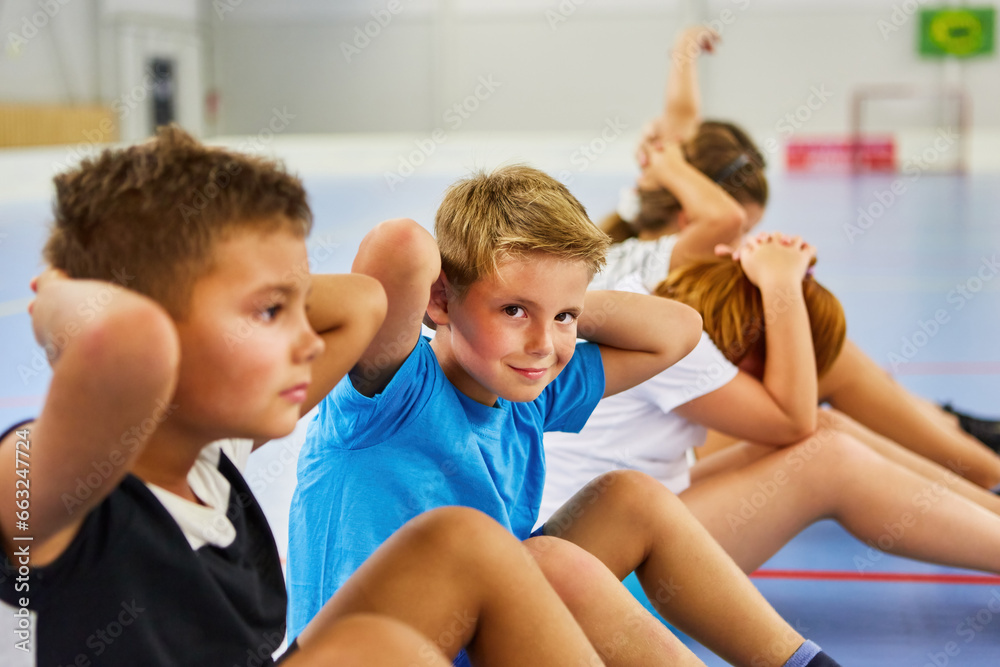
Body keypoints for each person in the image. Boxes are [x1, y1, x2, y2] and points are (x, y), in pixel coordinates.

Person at [0, 127, 612, 667]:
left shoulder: (213, 459)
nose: (307, 340)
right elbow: (126, 344)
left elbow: (363, 305)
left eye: (298, 304)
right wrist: (60, 295)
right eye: (270, 311)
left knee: (456, 550)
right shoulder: (46, 484)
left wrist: (260, 285)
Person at [289, 164, 844, 667]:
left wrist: (555, 305)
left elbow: (679, 330)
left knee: (629, 497)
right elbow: (399, 244)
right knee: (547, 560)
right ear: (439, 300)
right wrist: (494, 294)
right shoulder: (395, 388)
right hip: (369, 653)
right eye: (512, 311)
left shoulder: (533, 388)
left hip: (475, 633)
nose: (540, 344)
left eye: (563, 317)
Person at [595, 24, 1000, 491]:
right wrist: (669, 161)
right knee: (827, 362)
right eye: (746, 228)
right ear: (690, 215)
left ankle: (955, 432)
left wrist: (683, 55)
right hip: (663, 450)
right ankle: (977, 464)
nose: (743, 237)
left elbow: (680, 119)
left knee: (829, 362)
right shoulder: (675, 254)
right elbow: (719, 211)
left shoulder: (625, 238)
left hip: (659, 432)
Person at [541, 233, 1000, 582]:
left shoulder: (655, 303)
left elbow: (805, 420)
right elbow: (791, 419)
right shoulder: (680, 341)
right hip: (608, 574)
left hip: (601, 541)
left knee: (825, 427)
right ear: (756, 346)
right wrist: (781, 281)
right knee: (826, 459)